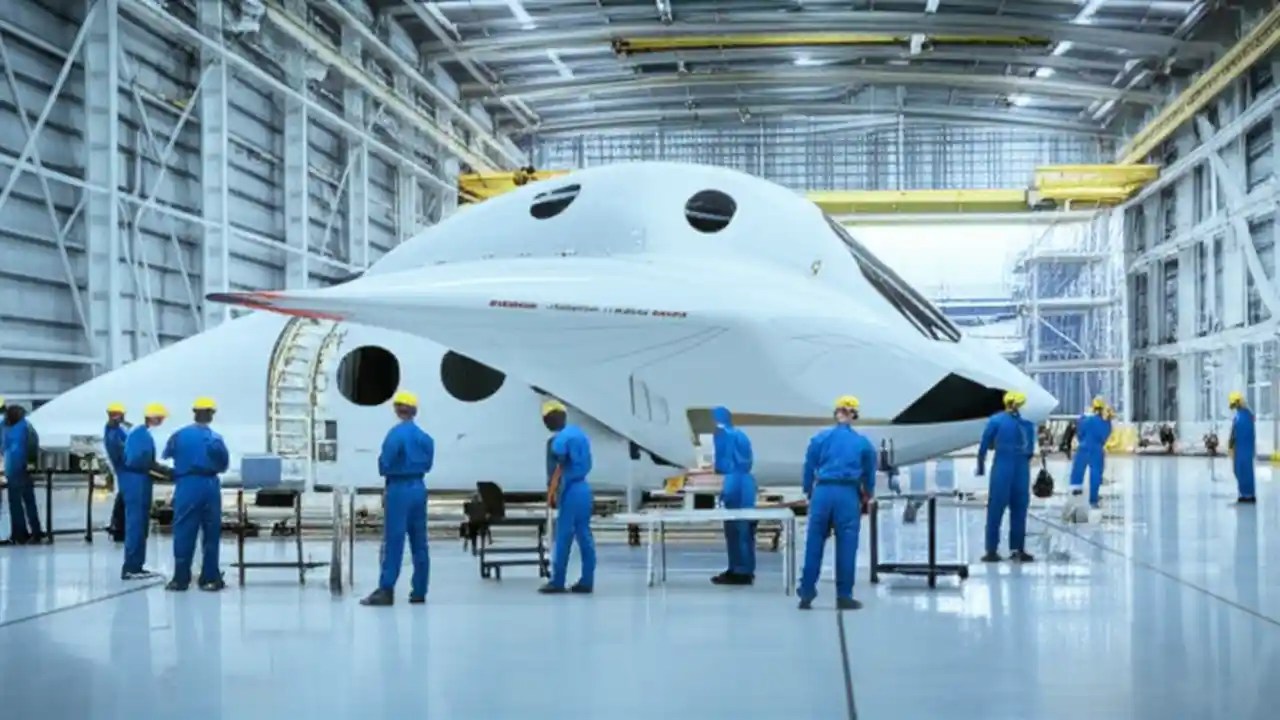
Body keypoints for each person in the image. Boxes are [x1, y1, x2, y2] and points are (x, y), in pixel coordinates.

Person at [797, 395, 877, 611]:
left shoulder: (819, 439)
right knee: (847, 545)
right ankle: (844, 596)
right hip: (847, 495)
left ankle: (806, 593)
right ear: (854, 415)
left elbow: (808, 468)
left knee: (814, 543)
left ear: (836, 413)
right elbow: (869, 475)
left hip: (822, 492)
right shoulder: (863, 444)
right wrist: (867, 495)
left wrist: (809, 491)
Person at [361, 390, 434, 607]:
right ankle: (419, 591)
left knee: (394, 540)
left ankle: (386, 590)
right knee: (420, 542)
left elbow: (384, 464)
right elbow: (428, 464)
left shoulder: (395, 435)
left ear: (397, 410)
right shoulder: (425, 438)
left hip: (398, 490)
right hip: (419, 488)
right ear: (414, 411)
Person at [162, 397, 230, 592]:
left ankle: (180, 579)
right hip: (209, 485)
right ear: (211, 415)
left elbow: (167, 455)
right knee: (211, 533)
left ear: (194, 413)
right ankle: (210, 578)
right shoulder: (215, 439)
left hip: (186, 485)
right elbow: (223, 465)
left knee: (183, 531)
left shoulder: (178, 436)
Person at [539, 399, 596, 595]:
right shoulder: (579, 434)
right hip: (584, 490)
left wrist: (551, 493)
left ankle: (557, 581)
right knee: (585, 537)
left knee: (563, 537)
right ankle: (587, 581)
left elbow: (559, 468)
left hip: (570, 491)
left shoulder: (558, 441)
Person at [976, 391, 1034, 563]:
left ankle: (991, 551)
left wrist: (980, 467)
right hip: (1021, 469)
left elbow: (984, 446)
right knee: (1019, 509)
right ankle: (1017, 549)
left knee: (995, 509)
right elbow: (1030, 451)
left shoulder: (995, 421)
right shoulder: (1027, 424)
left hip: (1002, 467)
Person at [118, 403, 167, 580]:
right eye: (160, 418)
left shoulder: (141, 433)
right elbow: (140, 461)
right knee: (136, 526)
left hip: (140, 483)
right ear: (153, 417)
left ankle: (136, 565)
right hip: (137, 484)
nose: (161, 421)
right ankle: (131, 567)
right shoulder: (140, 434)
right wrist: (166, 472)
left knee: (140, 525)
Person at [710, 406, 757, 586]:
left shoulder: (723, 434)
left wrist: (723, 491)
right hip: (747, 482)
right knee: (745, 530)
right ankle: (745, 569)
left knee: (735, 530)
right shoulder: (741, 434)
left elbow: (722, 462)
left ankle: (739, 571)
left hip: (735, 481)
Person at [3, 403, 43, 544]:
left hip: (17, 469)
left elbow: (30, 446)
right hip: (18, 469)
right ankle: (33, 532)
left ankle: (20, 534)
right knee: (26, 502)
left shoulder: (19, 428)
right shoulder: (22, 427)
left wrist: (30, 465)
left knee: (17, 503)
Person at [1069, 397, 1111, 508]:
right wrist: (1108, 421)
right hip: (1096, 449)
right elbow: (1105, 437)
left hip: (1082, 448)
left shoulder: (1084, 420)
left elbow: (1079, 434)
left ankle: (1074, 497)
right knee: (1095, 474)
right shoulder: (1104, 423)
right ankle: (1093, 499)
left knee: (1077, 473)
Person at [104, 403, 131, 543]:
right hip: (124, 469)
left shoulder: (116, 430)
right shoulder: (113, 434)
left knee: (123, 496)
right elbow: (122, 451)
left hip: (125, 469)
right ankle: (119, 529)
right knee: (124, 498)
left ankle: (118, 527)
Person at [1228, 391, 1257, 504]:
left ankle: (1247, 495)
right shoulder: (1246, 415)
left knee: (1243, 469)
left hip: (1242, 448)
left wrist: (1231, 445)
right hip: (1245, 448)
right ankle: (1246, 493)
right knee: (1243, 470)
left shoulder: (1242, 417)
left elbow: (1234, 433)